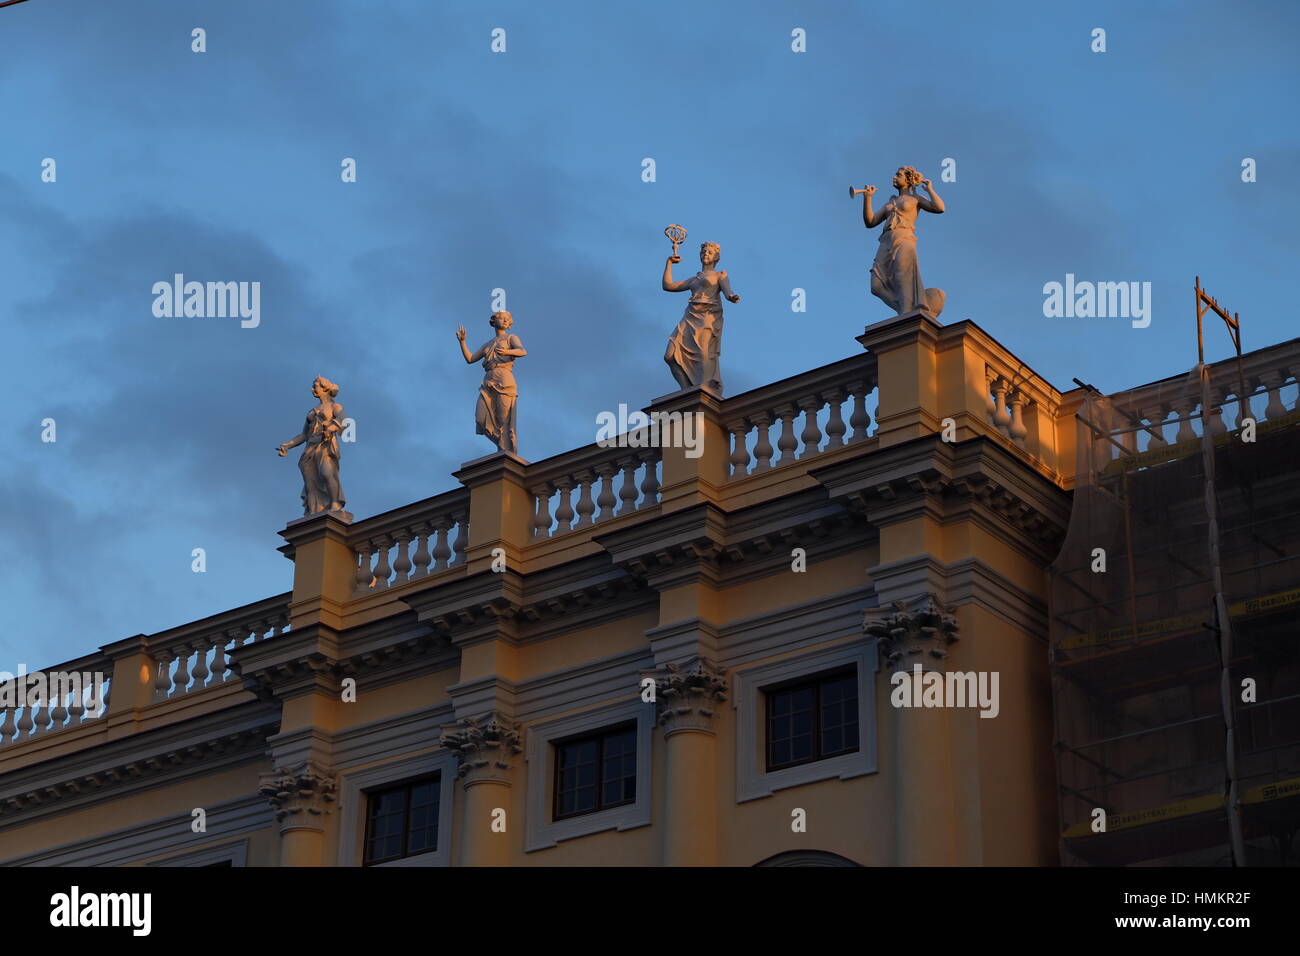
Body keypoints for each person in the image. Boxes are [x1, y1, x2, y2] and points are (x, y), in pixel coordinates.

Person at [859, 166, 946, 318]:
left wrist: (930, 190)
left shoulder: (915, 199)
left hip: (904, 237)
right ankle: (906, 308)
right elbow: (870, 222)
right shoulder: (891, 202)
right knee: (876, 286)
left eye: (898, 175)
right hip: (886, 241)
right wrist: (868, 198)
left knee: (902, 274)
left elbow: (939, 208)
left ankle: (906, 312)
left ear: (908, 179)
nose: (894, 177)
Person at [663, 241, 740, 394]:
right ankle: (687, 391)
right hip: (690, 317)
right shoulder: (694, 279)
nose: (706, 254)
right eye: (704, 252)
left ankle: (704, 391)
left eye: (709, 252)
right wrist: (669, 263)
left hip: (707, 317)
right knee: (670, 355)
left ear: (716, 257)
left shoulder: (720, 275)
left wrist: (731, 296)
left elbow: (727, 290)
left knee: (703, 354)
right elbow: (668, 286)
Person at [457, 310, 526, 454]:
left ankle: (506, 450)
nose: (505, 320)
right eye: (502, 318)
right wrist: (462, 342)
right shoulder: (487, 344)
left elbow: (522, 351)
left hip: (504, 379)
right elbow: (470, 359)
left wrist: (507, 352)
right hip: (488, 379)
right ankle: (502, 444)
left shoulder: (511, 338)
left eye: (508, 319)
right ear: (494, 321)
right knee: (480, 419)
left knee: (503, 420)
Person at [277, 376, 346, 515]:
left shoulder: (335, 407)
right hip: (310, 448)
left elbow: (343, 423)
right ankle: (315, 510)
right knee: (311, 483)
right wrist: (288, 445)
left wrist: (330, 428)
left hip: (326, 445)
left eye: (315, 386)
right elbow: (304, 435)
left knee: (327, 473)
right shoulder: (311, 411)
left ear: (324, 388)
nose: (313, 389)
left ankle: (335, 503)